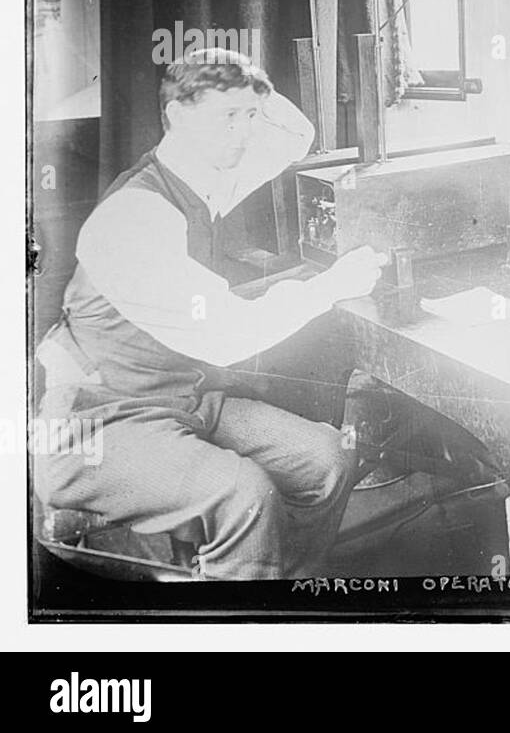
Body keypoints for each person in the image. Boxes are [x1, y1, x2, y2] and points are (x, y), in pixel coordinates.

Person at [34, 48, 386, 580]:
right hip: (96, 425)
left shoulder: (206, 177)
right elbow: (227, 337)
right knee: (246, 494)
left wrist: (242, 84)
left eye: (248, 117)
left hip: (181, 400)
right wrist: (332, 285)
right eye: (227, 117)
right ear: (176, 116)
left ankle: (277, 591)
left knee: (327, 458)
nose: (243, 134)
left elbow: (295, 133)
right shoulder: (134, 217)